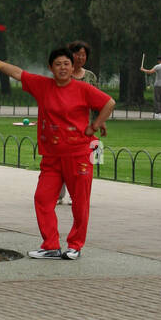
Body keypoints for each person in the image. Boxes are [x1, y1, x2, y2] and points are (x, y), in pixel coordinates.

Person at [0, 45, 114, 259]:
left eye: (66, 63)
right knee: (43, 198)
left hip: (78, 155)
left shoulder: (82, 89)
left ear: (72, 66)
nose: (63, 67)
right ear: (51, 67)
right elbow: (18, 73)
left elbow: (109, 102)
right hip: (52, 157)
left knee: (80, 202)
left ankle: (75, 245)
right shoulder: (43, 86)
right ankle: (50, 245)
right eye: (58, 64)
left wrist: (94, 126)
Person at [58, 40, 98, 205]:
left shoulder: (90, 77)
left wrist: (96, 123)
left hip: (86, 128)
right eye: (77, 54)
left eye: (84, 55)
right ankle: (59, 194)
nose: (81, 57)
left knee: (85, 164)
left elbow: (98, 101)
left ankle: (80, 196)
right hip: (63, 127)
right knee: (61, 162)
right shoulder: (62, 74)